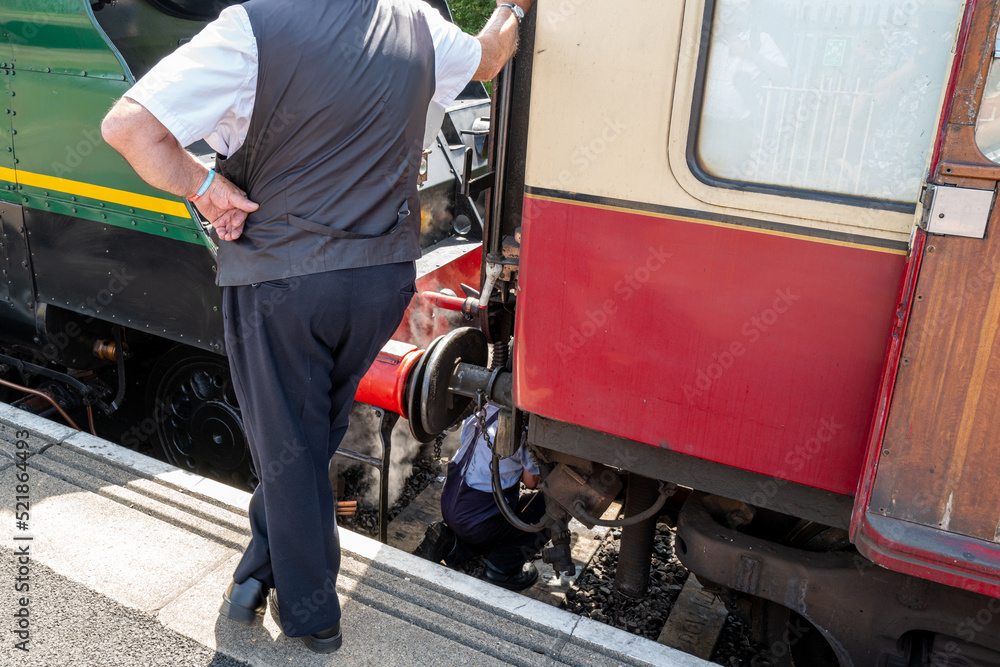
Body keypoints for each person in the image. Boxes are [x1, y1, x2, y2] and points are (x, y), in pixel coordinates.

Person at [101, 0, 534, 654]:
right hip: (381, 280)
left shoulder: (252, 29)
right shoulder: (416, 21)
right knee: (305, 434)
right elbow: (493, 56)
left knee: (290, 445)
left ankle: (313, 615)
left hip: (282, 283)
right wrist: (512, 8)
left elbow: (127, 126)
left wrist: (203, 185)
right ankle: (255, 572)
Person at [416, 403, 550, 591]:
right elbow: (531, 482)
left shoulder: (485, 407)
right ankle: (502, 568)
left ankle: (451, 545)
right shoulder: (525, 427)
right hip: (480, 518)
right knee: (553, 506)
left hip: (450, 505)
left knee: (483, 526)